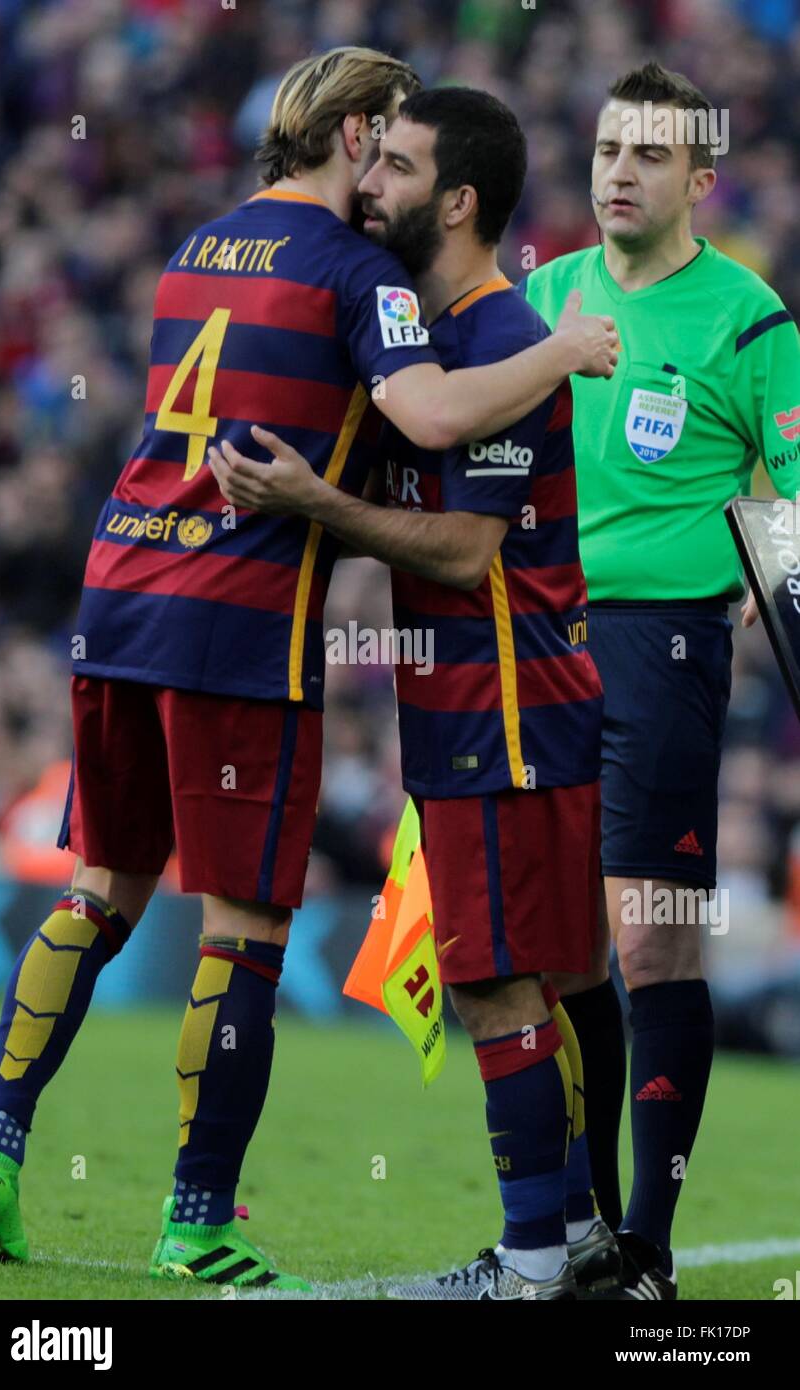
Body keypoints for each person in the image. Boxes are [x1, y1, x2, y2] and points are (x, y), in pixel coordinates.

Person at [0, 48, 617, 1291]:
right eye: (391, 141)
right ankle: (197, 1214)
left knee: (99, 882)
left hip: (117, 594)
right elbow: (426, 419)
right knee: (250, 921)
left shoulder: (193, 250)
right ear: (359, 131)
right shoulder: (362, 275)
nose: (388, 173)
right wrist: (562, 348)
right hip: (235, 625)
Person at [210, 87, 620, 1302]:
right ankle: (578, 1233)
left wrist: (315, 508)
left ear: (455, 202)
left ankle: (531, 1261)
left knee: (496, 980)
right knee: (522, 978)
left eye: (391, 166)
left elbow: (458, 553)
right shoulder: (425, 346)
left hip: (508, 702)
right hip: (464, 706)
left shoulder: (498, 340)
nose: (366, 183)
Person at [521, 61, 800, 1299]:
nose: (617, 173)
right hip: (533, 641)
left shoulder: (747, 320)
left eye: (646, 155)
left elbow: (797, 488)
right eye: (605, 151)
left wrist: (765, 553)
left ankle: (646, 1247)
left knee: (656, 938)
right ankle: (583, 1232)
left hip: (663, 645)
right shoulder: (538, 299)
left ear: (698, 178)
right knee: (558, 946)